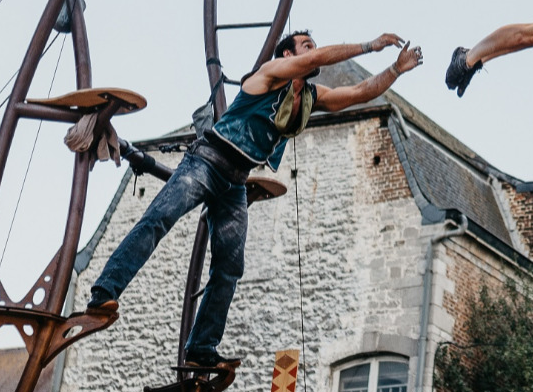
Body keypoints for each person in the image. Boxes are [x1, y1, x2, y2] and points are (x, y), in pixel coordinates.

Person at [85, 31, 422, 367]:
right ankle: (105, 291)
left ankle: (201, 347)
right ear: (288, 55)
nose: (313, 52)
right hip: (207, 160)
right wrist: (368, 45)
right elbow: (316, 61)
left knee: (230, 267)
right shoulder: (269, 74)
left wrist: (395, 69)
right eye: (306, 46)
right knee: (159, 219)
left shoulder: (308, 96)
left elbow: (358, 93)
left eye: (313, 47)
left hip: (235, 181)